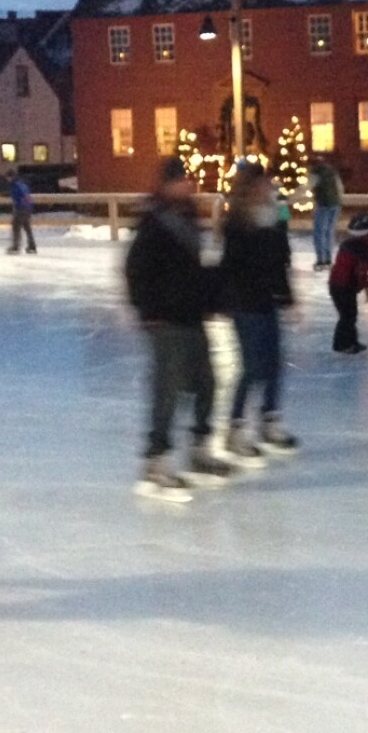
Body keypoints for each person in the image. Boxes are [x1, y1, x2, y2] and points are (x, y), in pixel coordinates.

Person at [124, 157, 230, 498]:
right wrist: (148, 311)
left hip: (192, 316)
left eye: (188, 180)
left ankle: (199, 450)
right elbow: (135, 269)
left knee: (207, 383)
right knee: (167, 391)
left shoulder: (188, 216)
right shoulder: (154, 222)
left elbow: (195, 269)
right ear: (167, 184)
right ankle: (156, 462)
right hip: (166, 320)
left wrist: (211, 298)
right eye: (181, 180)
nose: (188, 185)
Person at [219, 163, 298, 460]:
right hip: (244, 303)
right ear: (250, 186)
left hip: (268, 301)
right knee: (252, 367)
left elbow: (282, 258)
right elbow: (230, 266)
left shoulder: (275, 215)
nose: (269, 187)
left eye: (269, 181)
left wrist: (288, 297)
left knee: (275, 363)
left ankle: (269, 421)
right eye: (263, 182)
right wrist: (226, 300)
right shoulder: (237, 222)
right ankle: (234, 429)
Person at [329, 213, 368, 354]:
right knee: (348, 316)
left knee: (349, 315)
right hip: (344, 287)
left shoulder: (347, 245)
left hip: (335, 284)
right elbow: (361, 273)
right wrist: (365, 289)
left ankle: (351, 341)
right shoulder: (364, 252)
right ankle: (342, 344)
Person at [308, 156, 343, 271]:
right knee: (329, 232)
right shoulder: (332, 171)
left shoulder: (315, 173)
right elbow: (340, 187)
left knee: (319, 232)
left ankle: (321, 260)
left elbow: (309, 186)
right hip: (335, 204)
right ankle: (328, 259)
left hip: (323, 204)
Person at [7, 173, 36, 254]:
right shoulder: (24, 185)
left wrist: (7, 194)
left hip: (20, 208)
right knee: (27, 227)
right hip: (28, 207)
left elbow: (17, 196)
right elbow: (25, 195)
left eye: (8, 178)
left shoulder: (15, 185)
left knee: (16, 227)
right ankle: (32, 245)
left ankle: (15, 247)